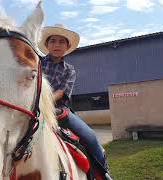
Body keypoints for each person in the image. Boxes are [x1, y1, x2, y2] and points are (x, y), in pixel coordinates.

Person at [38, 24, 109, 173]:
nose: (57, 45)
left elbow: (61, 92)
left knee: (91, 138)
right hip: (34, 110)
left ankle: (103, 173)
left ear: (67, 46)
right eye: (53, 41)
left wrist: (42, 102)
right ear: (46, 45)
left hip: (59, 112)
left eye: (61, 41)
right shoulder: (36, 64)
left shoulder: (69, 70)